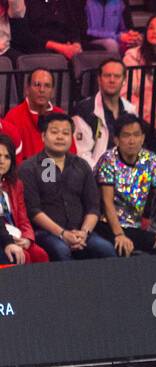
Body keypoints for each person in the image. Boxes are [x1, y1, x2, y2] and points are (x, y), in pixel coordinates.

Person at [18, 113, 114, 259]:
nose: (60, 137)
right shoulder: (29, 168)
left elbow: (93, 207)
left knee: (106, 249)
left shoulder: (81, 165)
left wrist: (84, 233)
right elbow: (33, 211)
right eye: (54, 132)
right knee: (61, 250)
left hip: (80, 232)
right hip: (46, 233)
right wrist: (63, 234)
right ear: (43, 136)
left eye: (66, 133)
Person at [93, 115, 156, 255]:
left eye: (136, 135)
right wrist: (119, 235)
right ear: (116, 139)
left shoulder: (150, 159)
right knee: (123, 249)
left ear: (143, 138)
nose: (132, 140)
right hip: (107, 226)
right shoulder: (108, 160)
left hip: (134, 227)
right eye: (126, 136)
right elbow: (106, 201)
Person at [72, 58, 137, 169]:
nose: (112, 80)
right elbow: (82, 154)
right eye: (107, 75)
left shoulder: (130, 110)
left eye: (117, 76)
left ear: (124, 81)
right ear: (99, 79)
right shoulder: (85, 110)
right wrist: (103, 176)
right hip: (94, 176)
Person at [0, 133, 51, 264]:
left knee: (40, 254)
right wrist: (8, 241)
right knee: (21, 257)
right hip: (3, 238)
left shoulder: (15, 185)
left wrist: (27, 238)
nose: (2, 161)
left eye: (7, 157)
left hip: (17, 235)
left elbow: (23, 218)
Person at [3, 70, 73, 164]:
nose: (42, 90)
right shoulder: (13, 117)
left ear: (52, 92)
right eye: (37, 85)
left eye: (47, 86)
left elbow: (72, 156)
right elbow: (8, 162)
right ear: (27, 89)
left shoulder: (61, 117)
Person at [18, 0, 83, 60]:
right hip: (39, 51)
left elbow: (73, 28)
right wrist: (60, 48)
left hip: (66, 48)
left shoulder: (64, 2)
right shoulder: (27, 3)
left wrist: (76, 44)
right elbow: (24, 36)